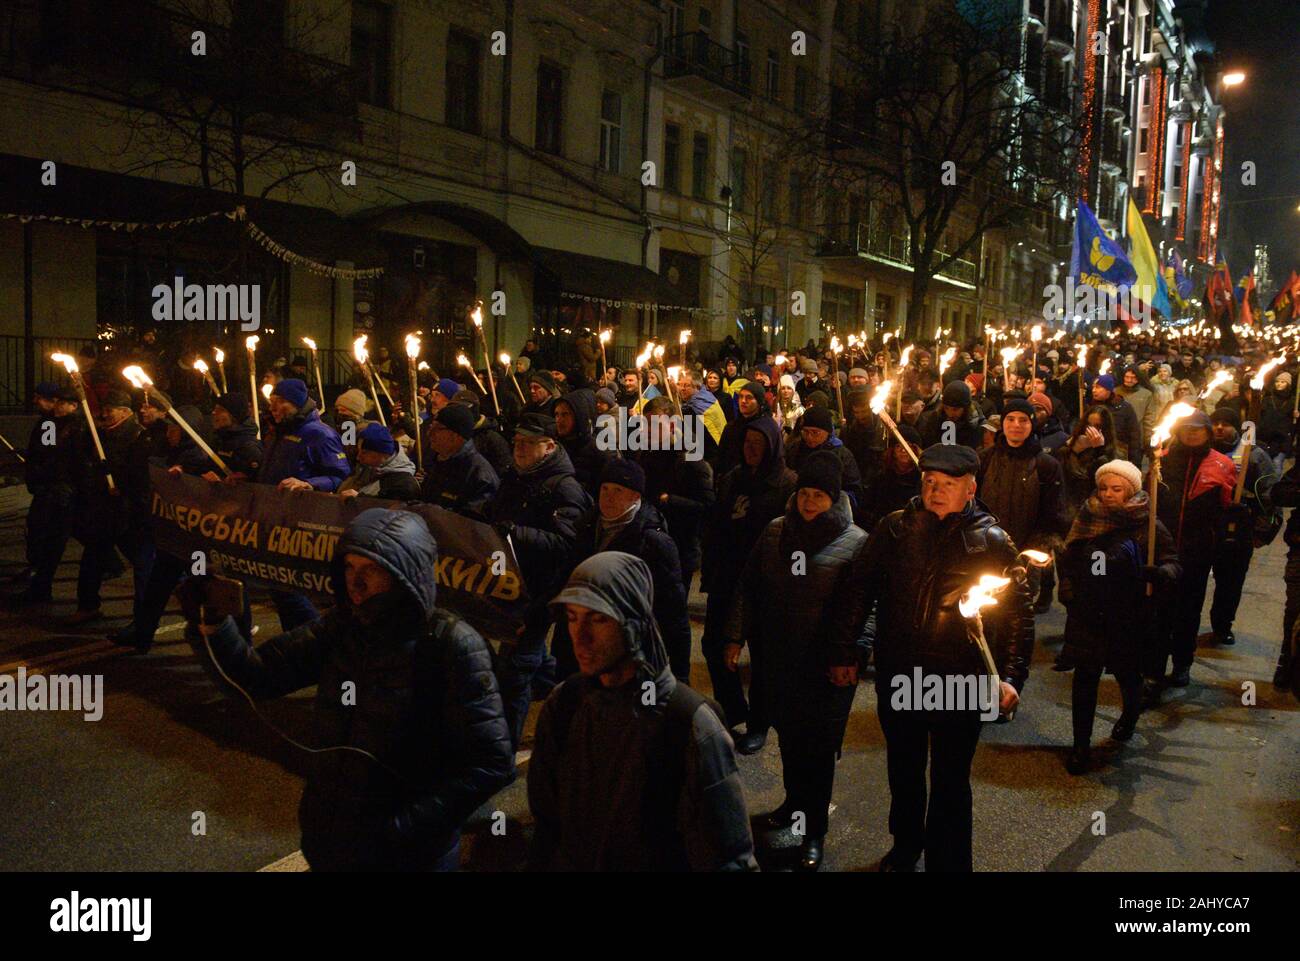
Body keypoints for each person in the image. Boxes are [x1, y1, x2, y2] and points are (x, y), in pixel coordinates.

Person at [183, 508, 514, 870]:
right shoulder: (343, 627)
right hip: (333, 838)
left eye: (371, 571)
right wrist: (214, 625)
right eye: (350, 569)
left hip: (409, 856)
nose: (356, 584)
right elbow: (255, 678)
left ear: (407, 575)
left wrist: (405, 827)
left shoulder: (452, 645)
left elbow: (491, 763)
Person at [835, 443, 1033, 872]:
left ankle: (950, 860)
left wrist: (1012, 678)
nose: (935, 491)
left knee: (951, 780)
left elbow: (1019, 616)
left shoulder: (992, 541)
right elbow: (859, 590)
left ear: (970, 488)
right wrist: (848, 649)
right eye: (929, 482)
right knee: (904, 772)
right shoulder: (894, 530)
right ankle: (906, 846)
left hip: (963, 679)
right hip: (902, 671)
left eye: (947, 484)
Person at [527, 552, 757, 871]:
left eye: (599, 619)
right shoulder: (564, 704)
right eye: (572, 617)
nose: (580, 637)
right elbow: (547, 822)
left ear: (632, 624)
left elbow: (728, 855)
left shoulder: (688, 721)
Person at [728, 451, 867, 870]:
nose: (808, 503)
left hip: (827, 667)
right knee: (789, 738)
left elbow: (868, 609)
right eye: (804, 493)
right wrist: (735, 636)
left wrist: (853, 654)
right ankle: (793, 806)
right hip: (780, 659)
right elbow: (747, 587)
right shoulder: (775, 532)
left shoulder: (856, 543)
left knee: (818, 751)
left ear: (834, 498)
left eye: (818, 496)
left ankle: (813, 835)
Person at [1056, 460, 1180, 774]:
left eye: (1117, 488)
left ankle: (1129, 716)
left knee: (1128, 673)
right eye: (1103, 488)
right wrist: (1068, 586)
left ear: (1131, 491)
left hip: (1127, 614)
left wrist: (1162, 572)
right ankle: (1080, 746)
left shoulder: (1147, 524)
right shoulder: (1086, 517)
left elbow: (1174, 562)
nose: (1108, 494)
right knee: (1085, 679)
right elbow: (1068, 557)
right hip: (1088, 611)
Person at [485, 413, 592, 749]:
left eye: (529, 443)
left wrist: (518, 534)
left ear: (549, 447)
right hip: (511, 582)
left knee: (514, 673)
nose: (519, 448)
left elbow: (566, 544)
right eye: (517, 442)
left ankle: (503, 750)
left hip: (538, 591)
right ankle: (548, 681)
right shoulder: (515, 477)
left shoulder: (563, 487)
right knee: (533, 659)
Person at [700, 416, 795, 752]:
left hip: (764, 582)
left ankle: (759, 722)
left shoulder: (787, 484)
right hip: (728, 574)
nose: (751, 448)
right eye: (747, 441)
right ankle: (733, 708)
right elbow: (716, 525)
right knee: (714, 644)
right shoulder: (731, 479)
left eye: (759, 442)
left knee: (763, 655)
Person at [550, 459, 692, 684]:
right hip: (578, 646)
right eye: (604, 489)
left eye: (618, 490)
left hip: (624, 651)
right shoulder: (587, 526)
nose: (608, 496)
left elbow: (673, 612)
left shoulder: (653, 542)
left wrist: (681, 674)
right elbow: (566, 579)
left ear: (636, 497)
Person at [1146, 411, 1236, 697]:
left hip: (1197, 551)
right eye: (1187, 428)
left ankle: (1182, 662)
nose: (1192, 433)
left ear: (1208, 432)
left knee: (1188, 610)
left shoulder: (1221, 464)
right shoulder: (1164, 458)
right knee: (1160, 611)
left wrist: (1231, 523)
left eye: (1198, 429)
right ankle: (1153, 668)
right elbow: (1150, 498)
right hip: (1163, 548)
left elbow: (1226, 507)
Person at [257, 378, 351, 630]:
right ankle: (298, 643)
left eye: (280, 403)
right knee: (277, 586)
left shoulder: (318, 434)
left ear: (297, 404)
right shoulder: (279, 432)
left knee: (287, 587)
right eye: (271, 403)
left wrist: (309, 483)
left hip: (298, 522)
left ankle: (312, 640)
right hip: (274, 517)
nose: (273, 409)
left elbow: (340, 475)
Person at [69, 389, 154, 627]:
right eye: (104, 409)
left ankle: (150, 612)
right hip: (103, 509)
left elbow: (139, 474)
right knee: (92, 558)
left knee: (142, 561)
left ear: (126, 413)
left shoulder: (138, 436)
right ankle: (87, 605)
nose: (105, 414)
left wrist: (119, 481)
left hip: (126, 510)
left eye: (111, 410)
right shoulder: (101, 434)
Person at [1205, 406, 1277, 646]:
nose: (1219, 428)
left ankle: (1222, 625)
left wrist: (1262, 531)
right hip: (1205, 527)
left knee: (1230, 582)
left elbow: (1270, 495)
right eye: (1216, 423)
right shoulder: (1201, 450)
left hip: (1238, 529)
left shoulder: (1253, 455)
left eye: (1226, 423)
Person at [8, 385, 81, 608]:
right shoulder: (50, 423)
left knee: (51, 540)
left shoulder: (77, 428)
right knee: (39, 534)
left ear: (73, 406)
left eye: (61, 403)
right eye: (56, 402)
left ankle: (41, 585)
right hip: (48, 489)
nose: (56, 407)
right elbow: (45, 451)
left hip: (60, 491)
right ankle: (38, 580)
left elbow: (58, 457)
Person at [634, 396, 715, 590]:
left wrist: (670, 500)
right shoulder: (644, 453)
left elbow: (708, 506)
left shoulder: (689, 459)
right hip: (649, 545)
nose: (648, 429)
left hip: (680, 547)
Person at [420, 403, 499, 516]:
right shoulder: (438, 462)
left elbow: (471, 521)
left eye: (436, 429)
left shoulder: (480, 475)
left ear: (454, 436)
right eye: (431, 427)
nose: (429, 433)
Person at [1058, 405, 1117, 515]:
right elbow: (1065, 477)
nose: (1091, 431)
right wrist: (1074, 451)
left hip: (1093, 509)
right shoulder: (1070, 446)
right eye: (1089, 425)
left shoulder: (1108, 455)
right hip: (1070, 506)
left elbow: (1096, 482)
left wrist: (1098, 451)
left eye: (1097, 426)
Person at [338, 423, 421, 501]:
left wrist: (359, 499)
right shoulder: (367, 469)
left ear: (382, 454)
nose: (358, 457)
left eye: (364, 452)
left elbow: (391, 511)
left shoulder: (403, 484)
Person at [553, 388, 610, 499]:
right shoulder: (554, 444)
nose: (559, 420)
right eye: (557, 414)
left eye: (565, 414)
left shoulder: (599, 449)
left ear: (579, 417)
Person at [716, 382, 771, 475]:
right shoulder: (731, 427)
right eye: (741, 397)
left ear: (759, 401)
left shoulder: (766, 427)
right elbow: (722, 456)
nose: (743, 401)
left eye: (749, 397)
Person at [1091, 374, 1143, 467]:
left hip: (1118, 456)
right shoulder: (1093, 407)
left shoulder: (1124, 407)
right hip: (1096, 455)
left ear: (1108, 390)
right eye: (1093, 387)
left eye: (1098, 387)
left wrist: (1135, 462)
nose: (1094, 390)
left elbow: (1134, 435)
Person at [917, 379, 983, 450]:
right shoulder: (936, 420)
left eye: (955, 409)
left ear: (965, 408)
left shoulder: (975, 424)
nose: (950, 414)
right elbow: (929, 446)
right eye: (946, 408)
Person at [210, 394, 263, 481]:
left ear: (234, 416)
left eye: (220, 410)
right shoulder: (220, 440)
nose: (214, 413)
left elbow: (255, 481)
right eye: (215, 409)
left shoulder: (249, 447)